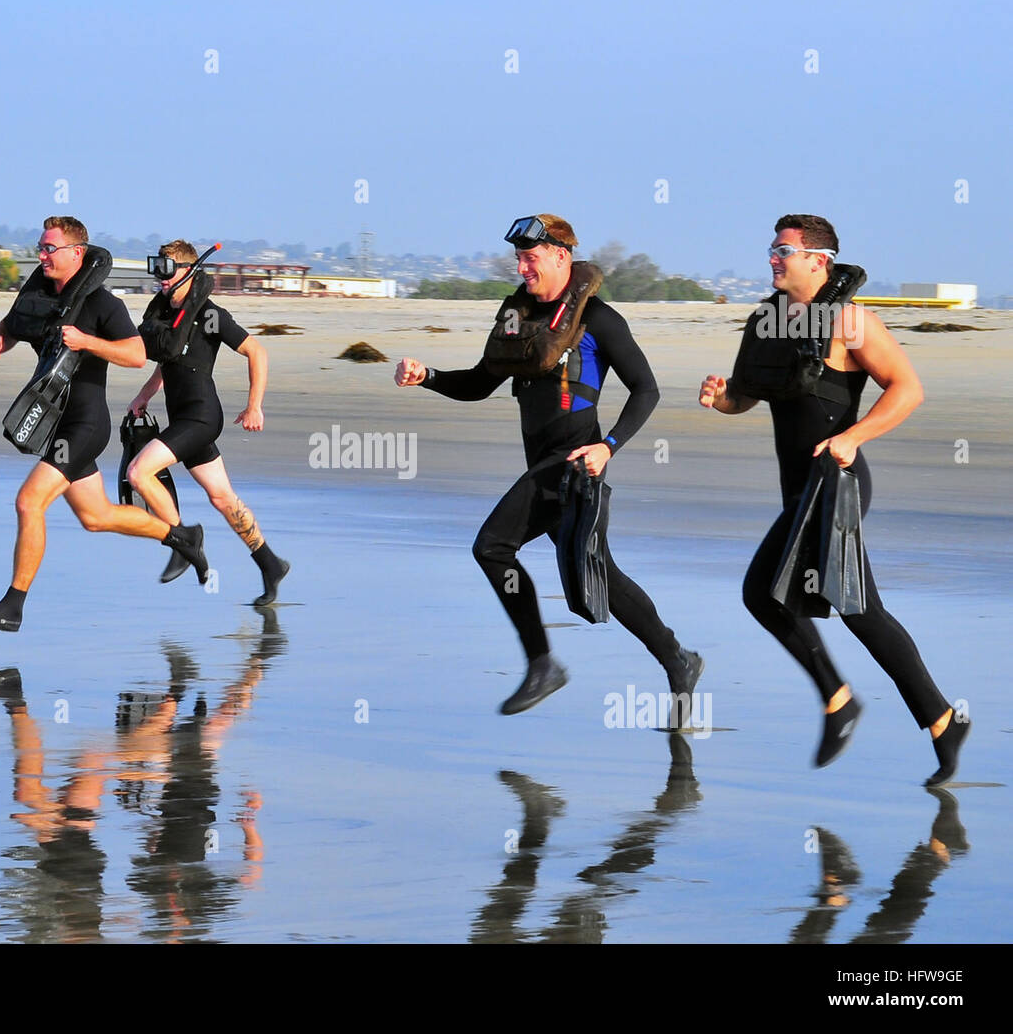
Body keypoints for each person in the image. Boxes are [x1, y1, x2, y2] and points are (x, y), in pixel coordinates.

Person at [698, 213, 969, 785]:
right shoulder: (766, 323)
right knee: (807, 600)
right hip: (798, 488)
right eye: (772, 248)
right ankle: (934, 717)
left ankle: (858, 704)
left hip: (837, 481)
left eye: (784, 250)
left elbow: (909, 389)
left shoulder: (850, 321)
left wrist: (852, 437)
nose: (774, 258)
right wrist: (722, 398)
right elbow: (748, 396)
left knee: (829, 601)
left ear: (818, 260)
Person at [395, 214, 702, 715]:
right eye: (518, 258)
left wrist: (609, 446)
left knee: (492, 547)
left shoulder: (598, 318)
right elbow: (478, 383)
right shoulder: (518, 318)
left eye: (530, 257)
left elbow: (647, 390)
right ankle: (677, 658)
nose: (521, 267)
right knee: (602, 575)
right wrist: (427, 376)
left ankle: (543, 664)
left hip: (572, 463)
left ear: (562, 256)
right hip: (542, 461)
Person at [0, 216, 208, 632]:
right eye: (40, 248)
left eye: (49, 249)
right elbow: (14, 323)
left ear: (77, 252)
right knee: (96, 517)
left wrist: (86, 341)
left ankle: (13, 607)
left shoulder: (101, 304)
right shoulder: (41, 294)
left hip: (85, 425)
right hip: (56, 422)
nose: (41, 256)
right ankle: (183, 537)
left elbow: (135, 355)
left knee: (29, 502)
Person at [126, 239, 290, 605]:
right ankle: (269, 562)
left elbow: (256, 351)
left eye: (167, 270)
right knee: (222, 497)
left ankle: (183, 539)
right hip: (182, 417)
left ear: (188, 270)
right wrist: (145, 394)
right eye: (157, 269)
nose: (160, 278)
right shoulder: (167, 316)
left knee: (139, 473)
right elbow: (169, 361)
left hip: (202, 417)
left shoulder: (210, 314)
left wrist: (254, 406)